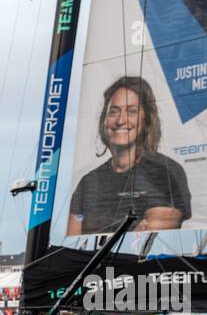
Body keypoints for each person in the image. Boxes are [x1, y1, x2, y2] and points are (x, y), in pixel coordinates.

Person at [67, 76, 191, 236]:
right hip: (94, 261)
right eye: (114, 111)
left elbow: (150, 234)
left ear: (146, 119)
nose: (120, 120)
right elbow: (73, 240)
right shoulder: (88, 181)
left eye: (132, 111)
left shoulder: (166, 171)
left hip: (135, 261)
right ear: (104, 119)